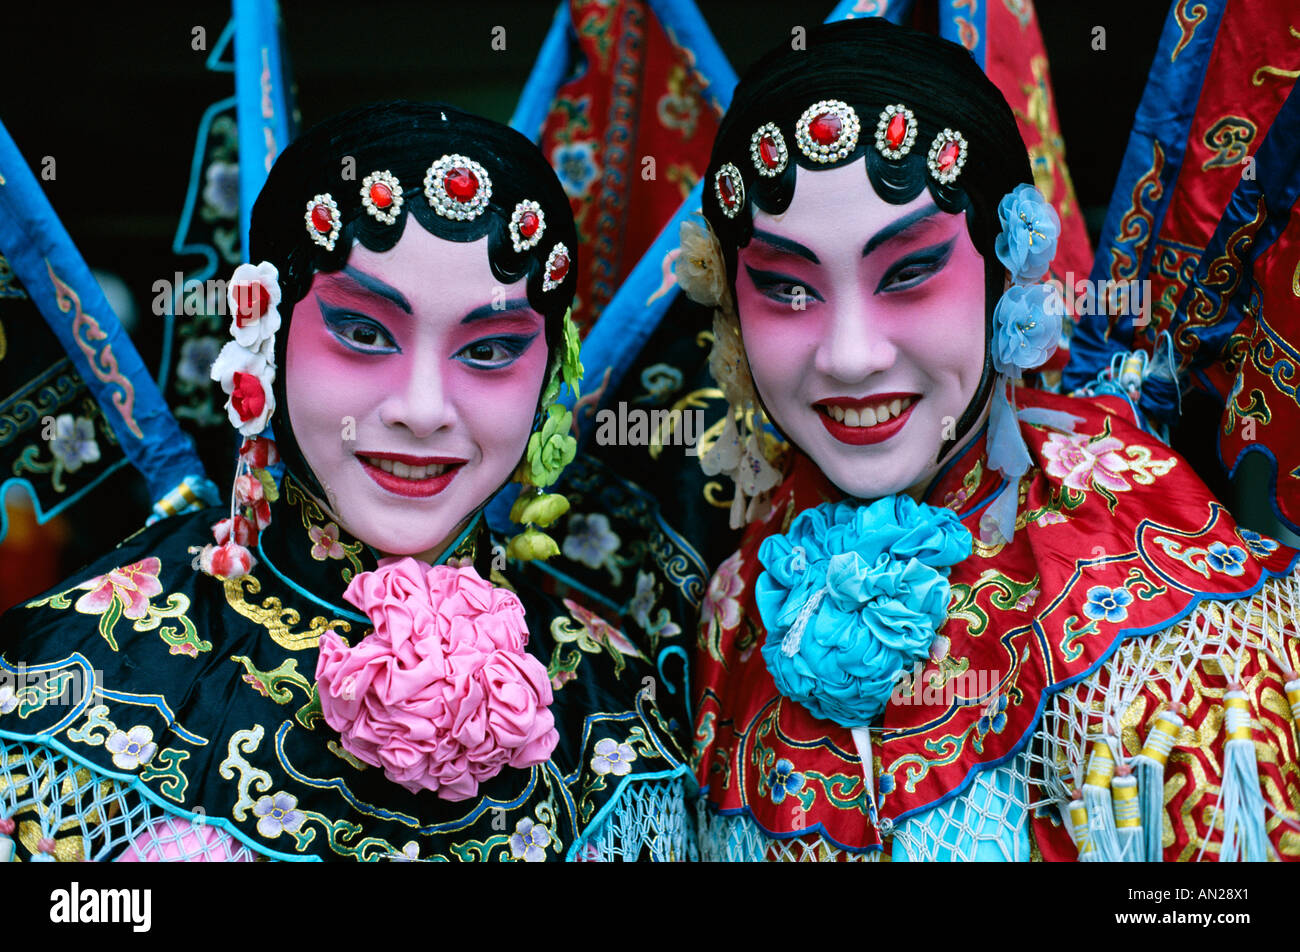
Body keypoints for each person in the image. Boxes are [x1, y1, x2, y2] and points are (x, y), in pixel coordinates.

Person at [0, 101, 693, 862]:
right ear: (261, 331)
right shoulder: (68, 678)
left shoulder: (621, 703)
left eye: (491, 348)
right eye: (363, 334)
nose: (423, 411)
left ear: (551, 374)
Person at [678, 19, 1300, 861]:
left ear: (1008, 270)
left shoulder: (1165, 611)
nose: (851, 356)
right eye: (788, 289)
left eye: (908, 273)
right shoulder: (736, 599)